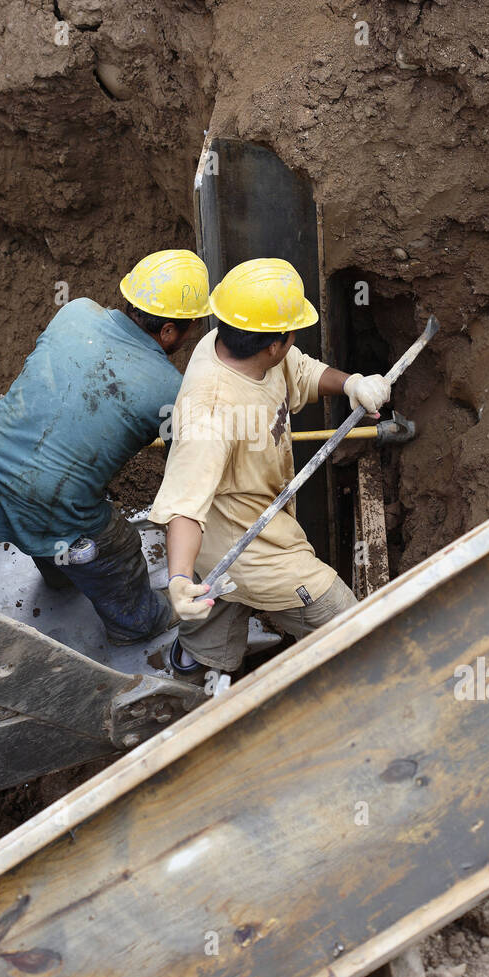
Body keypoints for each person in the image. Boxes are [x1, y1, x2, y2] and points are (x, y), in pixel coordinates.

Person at [149, 257, 391, 677]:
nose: (293, 342)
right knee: (343, 618)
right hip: (252, 544)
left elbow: (301, 370)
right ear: (272, 344)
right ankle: (364, 678)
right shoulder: (210, 415)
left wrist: (352, 383)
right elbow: (185, 508)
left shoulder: (230, 344)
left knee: (217, 597)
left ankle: (193, 666)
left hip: (236, 528)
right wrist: (177, 579)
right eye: (292, 333)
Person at [0, 249, 211, 642]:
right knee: (119, 547)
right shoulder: (170, 389)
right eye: (190, 327)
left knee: (36, 525)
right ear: (167, 331)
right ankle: (136, 624)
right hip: (48, 501)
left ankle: (62, 574)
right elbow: (184, 469)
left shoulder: (75, 311)